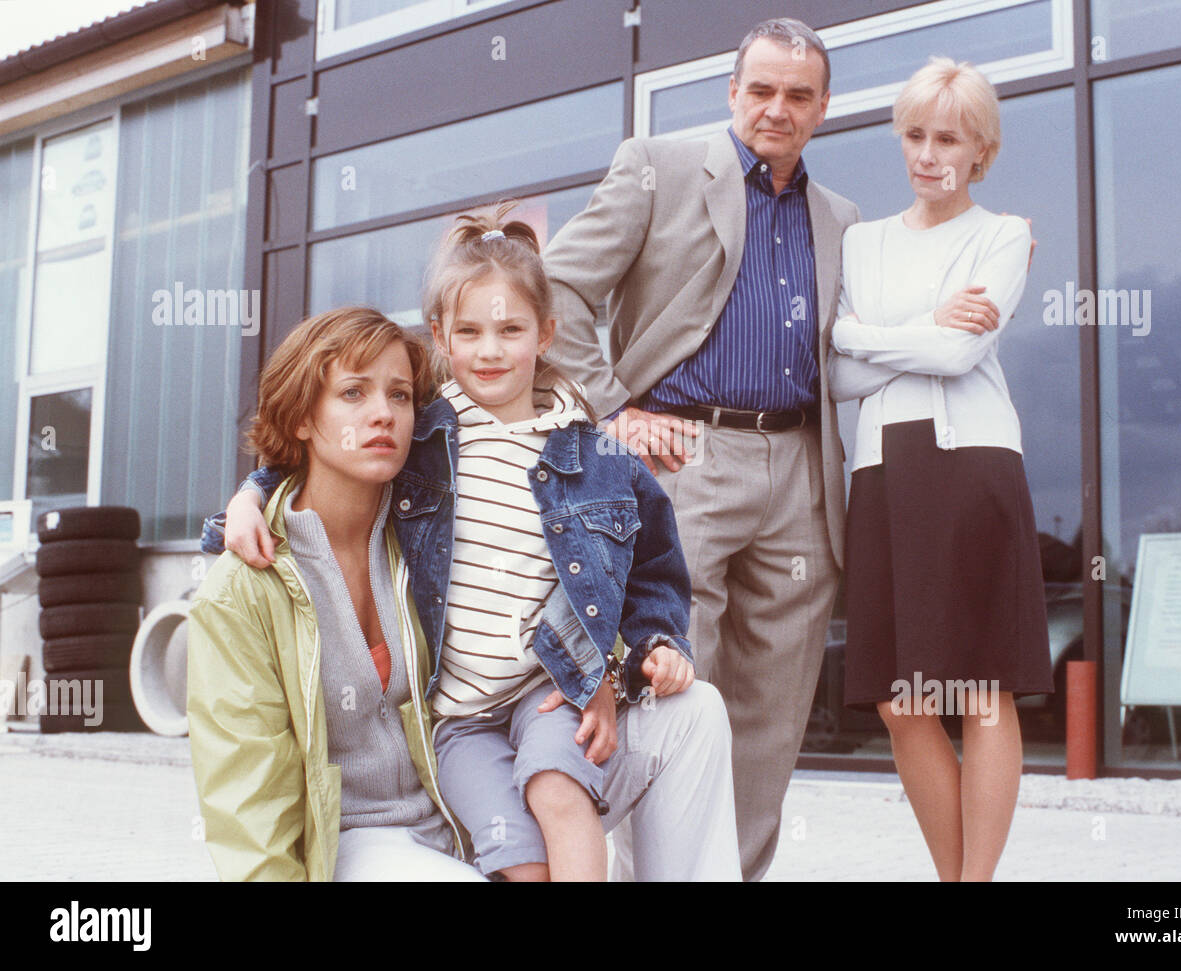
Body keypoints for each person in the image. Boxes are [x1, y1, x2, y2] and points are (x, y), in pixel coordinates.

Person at [202, 205, 741, 882]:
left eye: (510, 329)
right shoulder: (428, 443)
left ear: (546, 333)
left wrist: (628, 662)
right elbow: (303, 463)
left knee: (670, 726)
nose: (490, 349)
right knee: (520, 856)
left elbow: (649, 568)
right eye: (471, 332)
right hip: (448, 737)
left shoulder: (589, 454)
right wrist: (246, 497)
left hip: (547, 691)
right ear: (443, 337)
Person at [540, 16, 858, 881]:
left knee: (769, 718)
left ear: (823, 107)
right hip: (685, 458)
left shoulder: (843, 220)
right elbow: (557, 286)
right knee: (672, 689)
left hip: (800, 473)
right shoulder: (661, 167)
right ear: (733, 93)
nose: (776, 109)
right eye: (760, 90)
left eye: (798, 95)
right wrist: (613, 406)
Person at [828, 56, 1054, 881]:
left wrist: (865, 334)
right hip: (885, 472)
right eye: (915, 135)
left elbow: (961, 354)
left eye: (948, 139)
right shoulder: (862, 242)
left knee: (982, 688)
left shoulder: (1002, 234)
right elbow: (841, 378)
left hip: (972, 464)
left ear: (979, 152)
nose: (928, 154)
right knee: (902, 699)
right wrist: (915, 328)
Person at [187, 306, 483, 881]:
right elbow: (248, 798)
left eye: (400, 396)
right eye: (353, 392)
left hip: (470, 809)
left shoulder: (428, 536)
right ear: (302, 417)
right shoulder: (243, 586)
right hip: (354, 843)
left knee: (687, 718)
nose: (383, 414)